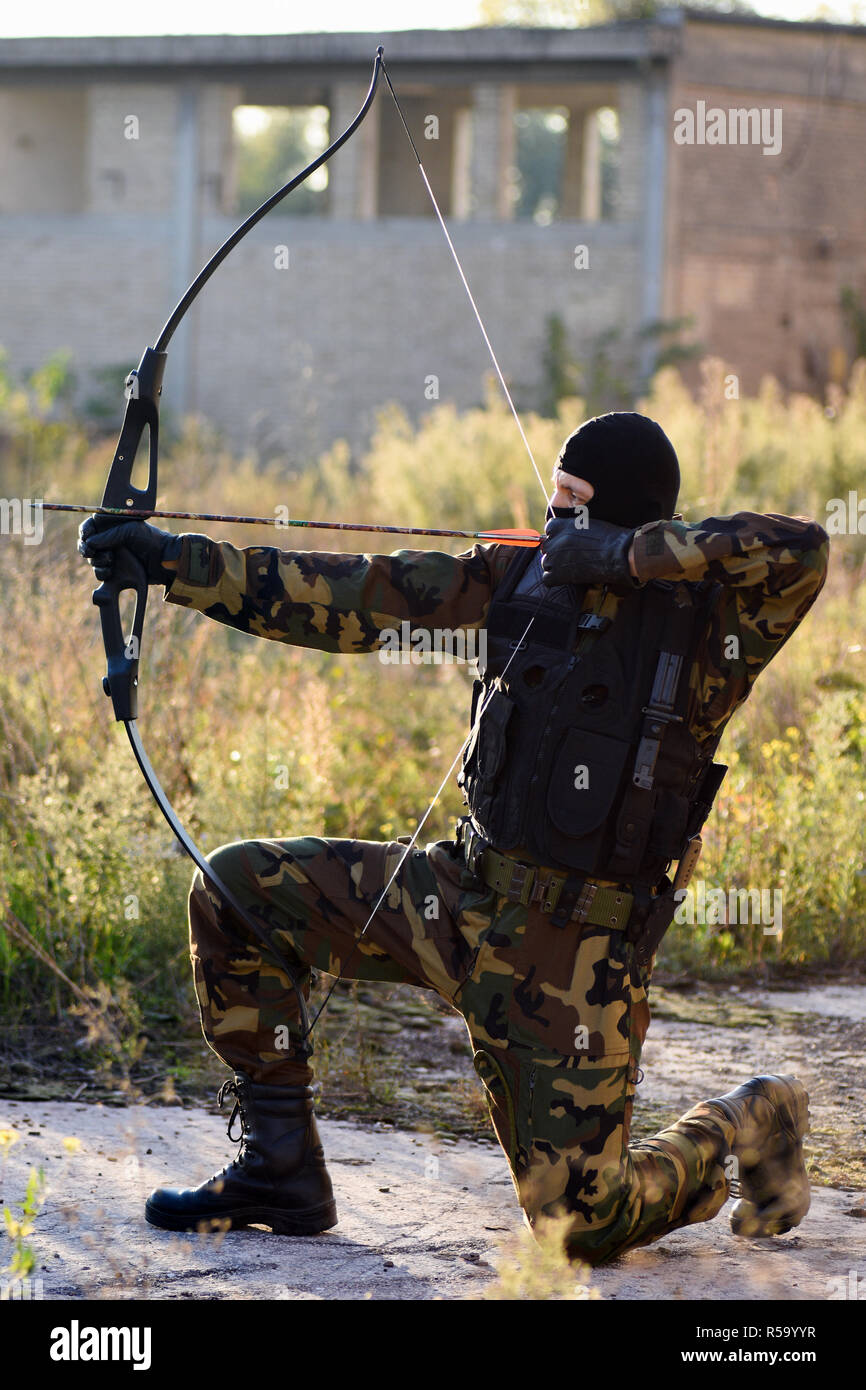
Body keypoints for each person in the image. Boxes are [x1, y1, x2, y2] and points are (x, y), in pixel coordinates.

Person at [79, 411, 829, 1265]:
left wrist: (626, 560)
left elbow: (802, 546)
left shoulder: (714, 629)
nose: (554, 520)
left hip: (575, 955)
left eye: (576, 504)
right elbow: (348, 595)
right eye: (553, 497)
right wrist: (175, 562)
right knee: (238, 892)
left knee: (582, 1232)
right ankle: (279, 1167)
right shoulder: (514, 579)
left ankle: (752, 1113)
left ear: (631, 518)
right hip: (457, 897)